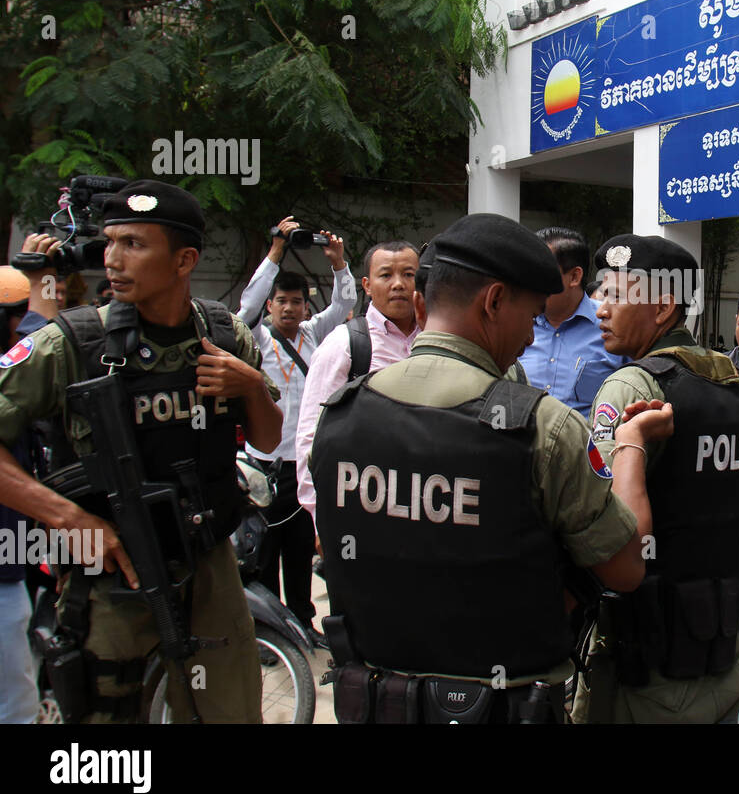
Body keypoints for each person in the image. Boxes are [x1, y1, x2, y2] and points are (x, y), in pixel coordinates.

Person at [310, 213, 654, 724]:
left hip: (376, 703)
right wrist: (631, 448)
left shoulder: (340, 414)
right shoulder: (546, 428)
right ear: (493, 302)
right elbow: (626, 571)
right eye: (531, 316)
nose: (531, 339)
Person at [0, 180, 281, 722]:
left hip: (208, 564)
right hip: (111, 571)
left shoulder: (223, 335)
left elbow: (268, 439)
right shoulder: (70, 344)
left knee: (228, 710)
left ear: (184, 260)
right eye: (109, 242)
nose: (113, 259)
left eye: (133, 244)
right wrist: (66, 518)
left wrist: (248, 386)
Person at [572, 234, 739, 723]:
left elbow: (604, 524)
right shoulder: (734, 382)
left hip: (645, 659)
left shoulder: (631, 386)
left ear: (662, 309)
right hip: (723, 642)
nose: (599, 308)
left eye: (616, 295)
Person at [236, 216, 356, 645]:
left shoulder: (316, 335)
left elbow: (344, 305)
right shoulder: (254, 339)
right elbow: (245, 306)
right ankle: (268, 634)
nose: (289, 308)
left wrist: (338, 264)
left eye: (297, 301)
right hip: (263, 466)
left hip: (303, 466)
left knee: (301, 550)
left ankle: (303, 623)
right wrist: (275, 252)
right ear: (271, 306)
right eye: (281, 301)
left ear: (307, 306)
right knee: (263, 553)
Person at [295, 240, 421, 527]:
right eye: (386, 275)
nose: (399, 284)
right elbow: (310, 433)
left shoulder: (437, 340)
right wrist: (319, 516)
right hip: (363, 505)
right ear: (366, 284)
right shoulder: (345, 344)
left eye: (409, 274)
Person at [0, 242, 61, 724]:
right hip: (6, 574)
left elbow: (41, 315)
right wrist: (43, 271)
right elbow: (43, 316)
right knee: (15, 701)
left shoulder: (19, 359)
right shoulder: (18, 361)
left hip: (19, 557)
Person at [520, 227, 625, 417]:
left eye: (541, 272)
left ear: (574, 277)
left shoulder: (612, 326)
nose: (530, 282)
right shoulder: (517, 325)